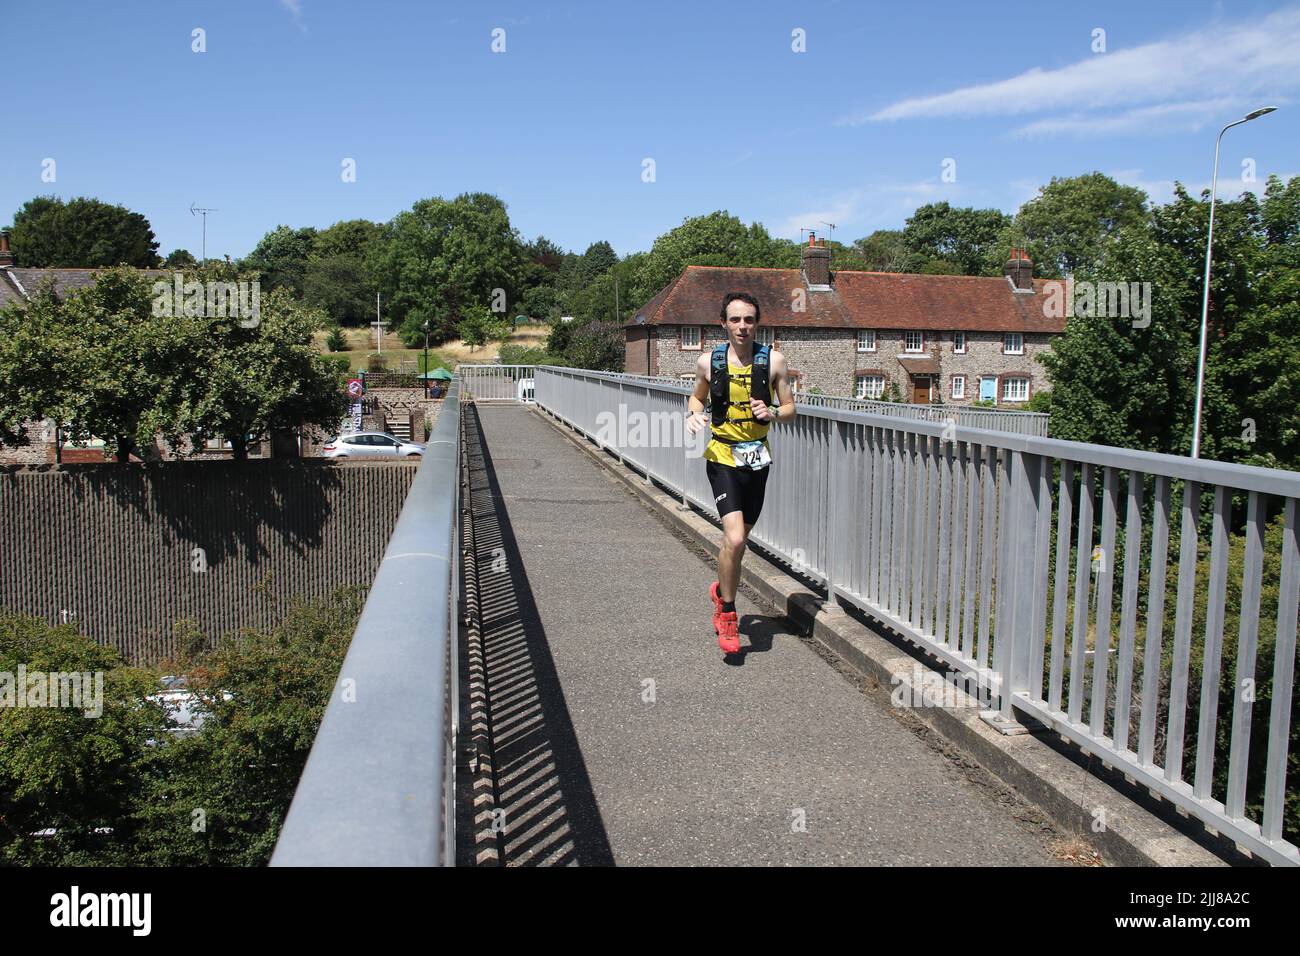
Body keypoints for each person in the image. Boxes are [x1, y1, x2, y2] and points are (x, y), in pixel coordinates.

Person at [686, 292, 795, 655]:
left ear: (757, 323)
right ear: (724, 323)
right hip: (722, 457)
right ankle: (728, 614)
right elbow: (696, 398)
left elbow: (792, 407)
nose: (742, 327)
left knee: (739, 541)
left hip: (757, 460)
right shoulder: (709, 362)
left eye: (749, 320)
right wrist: (693, 414)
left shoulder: (774, 361)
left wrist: (773, 413)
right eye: (735, 320)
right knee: (733, 539)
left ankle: (721, 586)